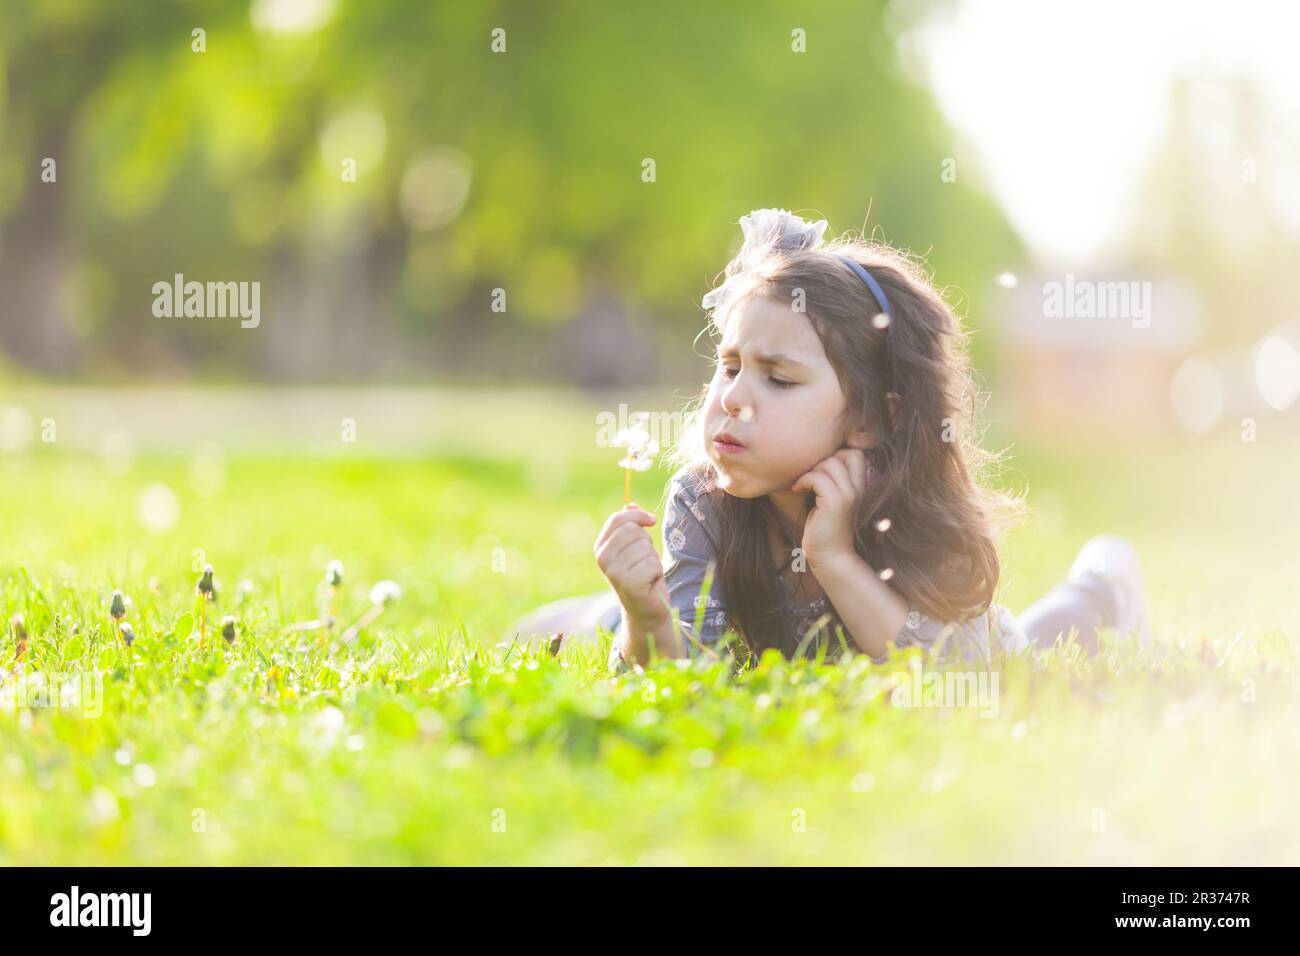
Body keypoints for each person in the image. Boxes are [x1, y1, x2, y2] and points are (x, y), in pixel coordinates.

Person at [508, 208, 1151, 672]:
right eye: (729, 367)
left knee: (1036, 650)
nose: (732, 397)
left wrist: (837, 560)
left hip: (984, 642)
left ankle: (1107, 582)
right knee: (569, 629)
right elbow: (688, 679)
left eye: (779, 379)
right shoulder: (703, 502)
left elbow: (957, 681)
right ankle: (588, 613)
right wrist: (646, 621)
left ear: (872, 418)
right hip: (629, 619)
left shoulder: (912, 514)